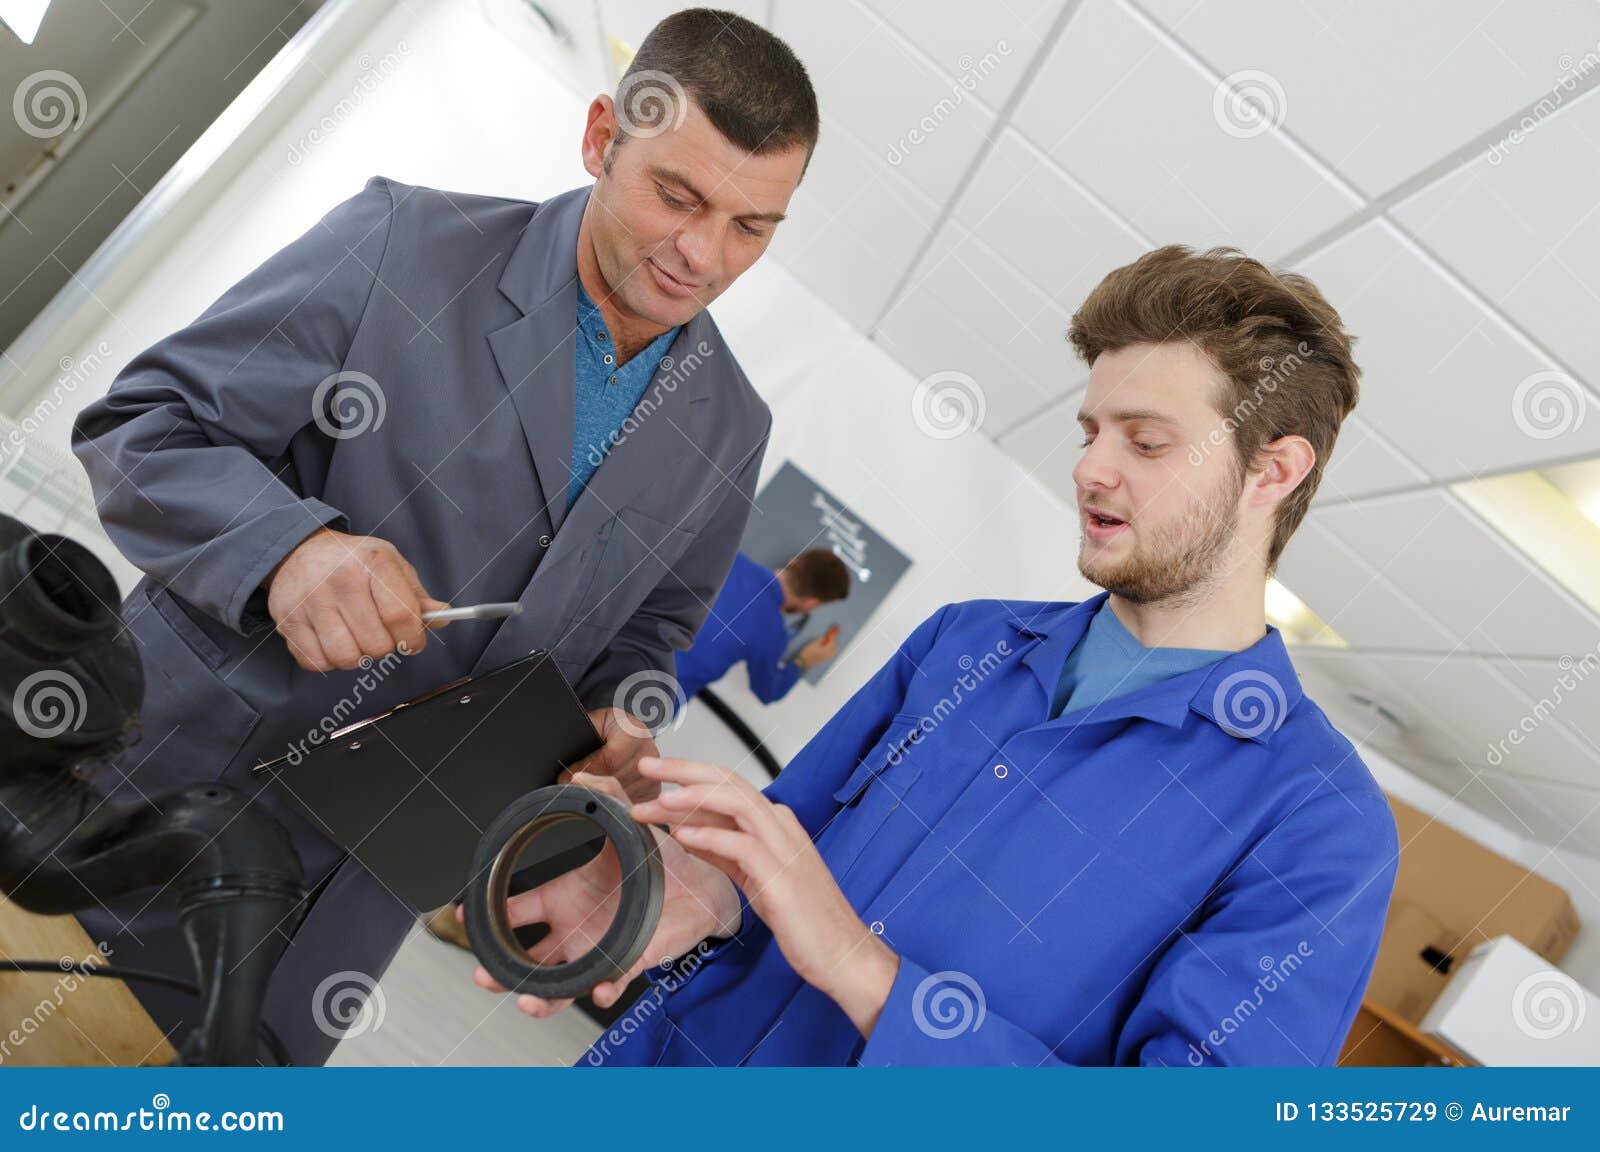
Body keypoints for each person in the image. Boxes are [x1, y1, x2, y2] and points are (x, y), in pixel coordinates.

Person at [68, 9, 818, 1065]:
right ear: (601, 137)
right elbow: (141, 428)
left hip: (350, 911)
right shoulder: (405, 244)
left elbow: (651, 630)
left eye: (751, 226)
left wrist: (619, 716)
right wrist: (287, 550)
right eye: (678, 196)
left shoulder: (729, 427)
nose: (703, 254)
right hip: (165, 798)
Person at [474, 245, 1401, 1067]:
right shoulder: (967, 642)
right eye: (1090, 432)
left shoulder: (1320, 823)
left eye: (1146, 441)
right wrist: (697, 890)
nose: (1089, 468)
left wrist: (861, 968)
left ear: (1273, 470)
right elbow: (777, 860)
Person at [675, 548, 851, 708]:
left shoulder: (727, 555)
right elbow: (768, 692)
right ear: (811, 603)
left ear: (793, 560)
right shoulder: (772, 634)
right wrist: (805, 660)